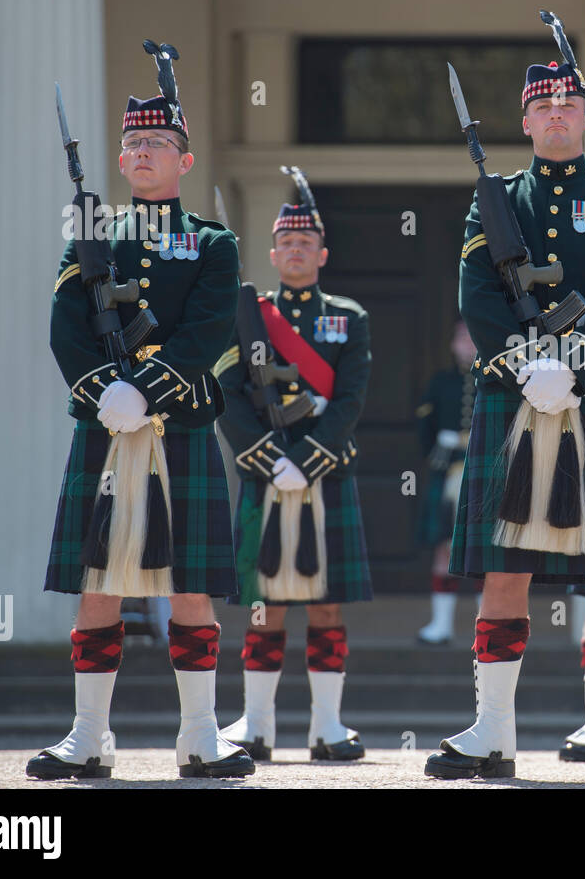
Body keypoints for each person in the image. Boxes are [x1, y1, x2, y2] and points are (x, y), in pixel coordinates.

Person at [424, 32, 585, 783]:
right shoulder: (496, 201)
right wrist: (523, 364)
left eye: (569, 104)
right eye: (544, 105)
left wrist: (569, 366)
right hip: (515, 401)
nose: (557, 115)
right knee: (503, 573)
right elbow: (477, 297)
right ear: (526, 119)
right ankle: (492, 729)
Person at [28, 46, 250, 779]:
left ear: (185, 161)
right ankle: (88, 735)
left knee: (190, 584)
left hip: (177, 424)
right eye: (132, 144)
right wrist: (103, 391)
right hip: (105, 427)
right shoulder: (90, 235)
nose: (143, 152)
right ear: (120, 162)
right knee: (100, 583)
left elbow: (212, 326)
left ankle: (200, 734)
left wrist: (147, 388)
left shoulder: (214, 244)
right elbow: (65, 325)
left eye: (157, 142)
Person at [214, 168, 373, 762]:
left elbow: (353, 396)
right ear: (273, 252)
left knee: (326, 602)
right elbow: (228, 392)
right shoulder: (247, 315)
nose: (297, 251)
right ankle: (257, 727)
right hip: (265, 473)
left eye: (307, 243)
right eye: (287, 243)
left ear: (322, 253)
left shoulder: (348, 317)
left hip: (327, 473)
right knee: (265, 604)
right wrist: (268, 458)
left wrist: (307, 459)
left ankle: (327, 728)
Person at [413, 319, 478, 646]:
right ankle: (441, 626)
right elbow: (425, 430)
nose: (467, 344)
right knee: (444, 548)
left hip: (483, 476)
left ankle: (487, 628)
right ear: (453, 344)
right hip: (449, 472)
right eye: (462, 338)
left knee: (487, 553)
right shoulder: (441, 383)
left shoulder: (495, 382)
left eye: (472, 337)